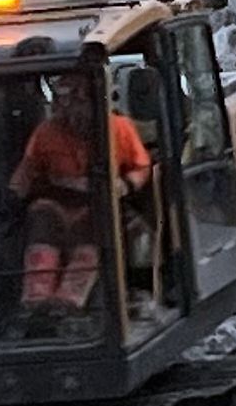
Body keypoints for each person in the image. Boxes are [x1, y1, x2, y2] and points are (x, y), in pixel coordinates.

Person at [11, 75, 152, 317]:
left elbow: (141, 167)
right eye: (64, 102)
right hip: (55, 203)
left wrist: (125, 185)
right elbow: (27, 170)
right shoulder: (46, 132)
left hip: (98, 204)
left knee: (93, 234)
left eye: (78, 101)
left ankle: (69, 302)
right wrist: (13, 194)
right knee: (41, 223)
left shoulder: (119, 128)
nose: (71, 109)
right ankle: (36, 300)